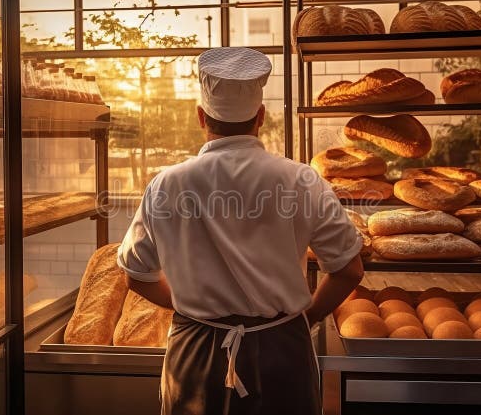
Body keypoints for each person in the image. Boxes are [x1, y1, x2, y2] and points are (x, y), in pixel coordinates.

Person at [118, 47, 365, 415]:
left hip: (194, 350)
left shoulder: (167, 184)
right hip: (284, 349)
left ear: (201, 117)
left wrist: (192, 308)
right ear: (261, 116)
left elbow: (136, 275)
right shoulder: (301, 180)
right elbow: (348, 269)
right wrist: (305, 318)